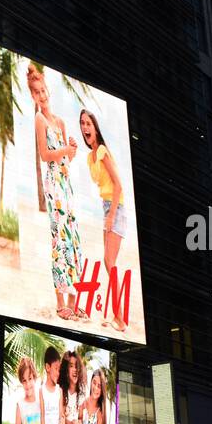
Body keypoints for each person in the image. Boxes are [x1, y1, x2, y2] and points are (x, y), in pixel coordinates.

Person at [29, 65, 85, 322]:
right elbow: (45, 155)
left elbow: (66, 159)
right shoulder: (39, 120)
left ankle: (74, 302)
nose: (42, 95)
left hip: (67, 183)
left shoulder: (60, 121)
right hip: (53, 186)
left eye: (43, 90)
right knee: (59, 240)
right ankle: (61, 303)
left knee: (73, 240)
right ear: (33, 96)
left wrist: (71, 149)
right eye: (37, 92)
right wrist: (64, 149)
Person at [79, 108, 128, 333]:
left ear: (96, 127)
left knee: (110, 263)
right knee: (109, 263)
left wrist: (111, 214)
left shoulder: (101, 151)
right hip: (106, 206)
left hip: (115, 207)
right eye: (82, 124)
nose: (85, 127)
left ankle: (120, 318)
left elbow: (118, 185)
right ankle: (118, 315)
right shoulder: (90, 156)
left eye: (88, 123)